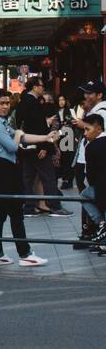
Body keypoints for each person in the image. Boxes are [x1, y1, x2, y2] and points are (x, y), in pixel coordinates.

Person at [0, 89, 60, 267]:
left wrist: (45, 138)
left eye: (7, 103)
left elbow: (22, 136)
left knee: (0, 214)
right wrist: (18, 136)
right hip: (2, 170)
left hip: (3, 170)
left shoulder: (0, 121)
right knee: (15, 212)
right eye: (1, 103)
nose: (5, 106)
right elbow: (13, 145)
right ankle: (24, 254)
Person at [17, 77, 66, 215]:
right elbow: (38, 127)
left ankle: (29, 207)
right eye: (41, 85)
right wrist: (44, 146)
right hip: (38, 146)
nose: (42, 88)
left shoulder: (22, 102)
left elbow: (21, 124)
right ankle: (54, 206)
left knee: (28, 177)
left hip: (25, 145)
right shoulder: (33, 103)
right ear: (34, 87)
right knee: (48, 176)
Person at [71, 81, 106, 247]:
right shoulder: (92, 110)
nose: (86, 96)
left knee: (91, 195)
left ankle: (96, 232)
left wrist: (82, 124)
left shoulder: (102, 111)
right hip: (87, 159)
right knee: (89, 195)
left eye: (90, 93)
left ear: (99, 95)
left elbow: (100, 135)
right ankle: (95, 232)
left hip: (93, 162)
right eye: (85, 93)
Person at [53, 95, 77, 190]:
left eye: (63, 99)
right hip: (58, 136)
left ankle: (67, 180)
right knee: (61, 158)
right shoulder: (55, 111)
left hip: (68, 135)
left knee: (68, 158)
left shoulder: (70, 111)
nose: (61, 102)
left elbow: (75, 122)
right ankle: (64, 178)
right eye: (59, 100)